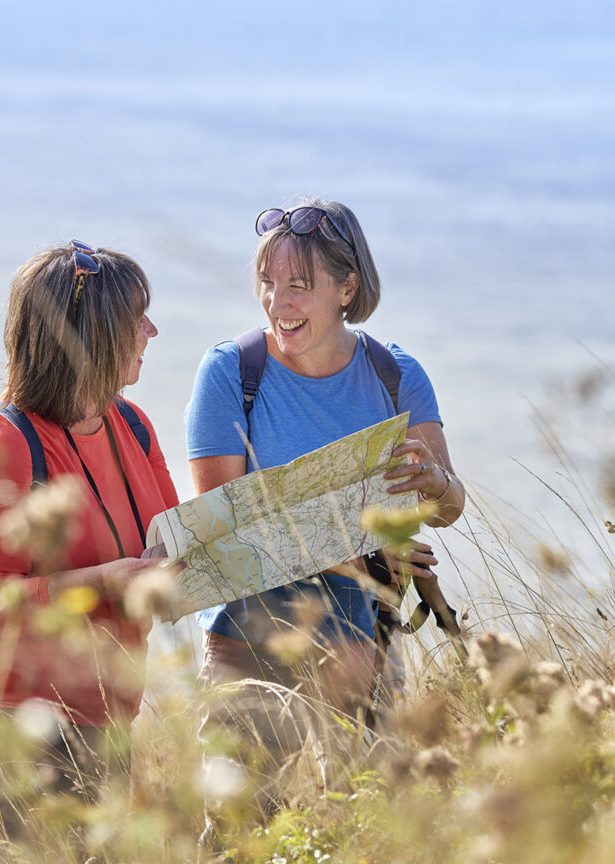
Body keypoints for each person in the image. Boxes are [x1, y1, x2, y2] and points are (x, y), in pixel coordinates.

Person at [184, 199, 466, 805]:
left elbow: (447, 507)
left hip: (363, 637)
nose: (277, 303)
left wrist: (433, 484)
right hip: (250, 638)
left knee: (372, 813)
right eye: (267, 283)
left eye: (298, 286)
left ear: (347, 288)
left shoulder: (396, 374)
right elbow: (219, 528)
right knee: (239, 823)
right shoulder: (231, 373)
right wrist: (364, 546)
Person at [0, 241, 179, 862]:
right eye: (135, 319)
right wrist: (108, 582)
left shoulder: (133, 426)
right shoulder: (1, 448)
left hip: (100, 713)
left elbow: (174, 541)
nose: (152, 330)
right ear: (90, 336)